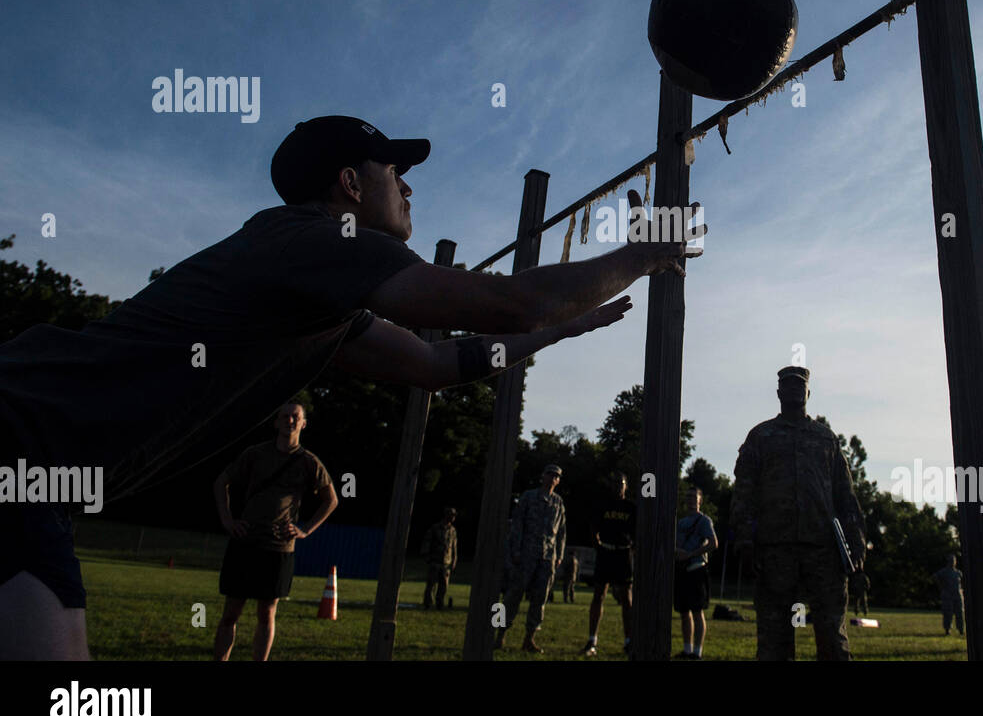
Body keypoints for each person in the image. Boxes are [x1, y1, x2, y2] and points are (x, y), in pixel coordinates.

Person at [0, 115, 703, 660]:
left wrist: (558, 332)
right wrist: (642, 252)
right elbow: (513, 301)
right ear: (349, 185)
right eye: (394, 171)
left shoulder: (318, 291)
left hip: (39, 476)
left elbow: (434, 366)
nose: (408, 188)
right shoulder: (323, 237)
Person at [732, 366, 867, 661]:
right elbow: (744, 491)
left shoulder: (826, 439)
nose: (794, 390)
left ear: (808, 393)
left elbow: (846, 496)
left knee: (833, 638)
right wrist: (744, 541)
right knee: (774, 641)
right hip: (774, 551)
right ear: (779, 393)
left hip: (825, 552)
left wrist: (856, 545)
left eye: (799, 386)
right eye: (788, 385)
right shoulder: (761, 437)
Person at [212, 401, 337, 661]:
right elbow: (221, 481)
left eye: (295, 416)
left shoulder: (309, 462)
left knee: (267, 614)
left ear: (304, 423)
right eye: (284, 416)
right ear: (276, 422)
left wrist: (306, 530)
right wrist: (228, 520)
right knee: (231, 613)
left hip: (278, 548)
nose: (290, 421)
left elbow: (331, 500)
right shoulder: (255, 454)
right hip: (245, 541)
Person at [497, 464, 566, 653]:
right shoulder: (528, 497)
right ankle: (499, 634)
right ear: (542, 476)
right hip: (526, 554)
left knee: (540, 599)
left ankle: (529, 638)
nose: (553, 478)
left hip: (547, 557)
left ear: (558, 481)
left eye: (556, 476)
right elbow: (517, 524)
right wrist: (516, 551)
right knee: (512, 595)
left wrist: (559, 555)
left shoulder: (558, 502)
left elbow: (561, 532)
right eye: (550, 474)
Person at [583, 472, 635, 657]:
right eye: (614, 483)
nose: (618, 486)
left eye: (621, 483)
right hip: (606, 552)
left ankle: (629, 641)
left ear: (626, 486)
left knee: (627, 599)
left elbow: (637, 532)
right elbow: (593, 527)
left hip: (623, 553)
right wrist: (597, 544)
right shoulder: (602, 505)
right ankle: (592, 640)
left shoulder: (631, 508)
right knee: (599, 595)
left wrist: (632, 550)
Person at [674, 486, 718, 660]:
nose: (691, 500)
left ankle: (697, 652)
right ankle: (687, 649)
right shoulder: (680, 522)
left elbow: (714, 543)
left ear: (700, 500)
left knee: (697, 611)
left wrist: (691, 554)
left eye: (694, 497)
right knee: (684, 612)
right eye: (688, 497)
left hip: (697, 569)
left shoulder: (704, 521)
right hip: (682, 571)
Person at [421, 507, 458, 610]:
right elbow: (427, 541)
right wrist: (426, 556)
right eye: (451, 515)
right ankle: (428, 603)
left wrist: (454, 560)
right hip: (435, 560)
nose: (453, 517)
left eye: (454, 515)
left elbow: (454, 547)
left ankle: (439, 603)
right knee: (431, 584)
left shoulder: (453, 530)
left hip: (446, 562)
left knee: (444, 585)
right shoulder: (435, 528)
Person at [932, 555, 965, 636]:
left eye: (953, 560)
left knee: (960, 613)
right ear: (948, 561)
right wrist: (941, 587)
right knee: (948, 613)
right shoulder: (944, 571)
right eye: (951, 560)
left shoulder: (958, 572)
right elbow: (935, 577)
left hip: (958, 596)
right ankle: (947, 630)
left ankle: (961, 630)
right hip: (948, 596)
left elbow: (962, 582)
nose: (952, 562)